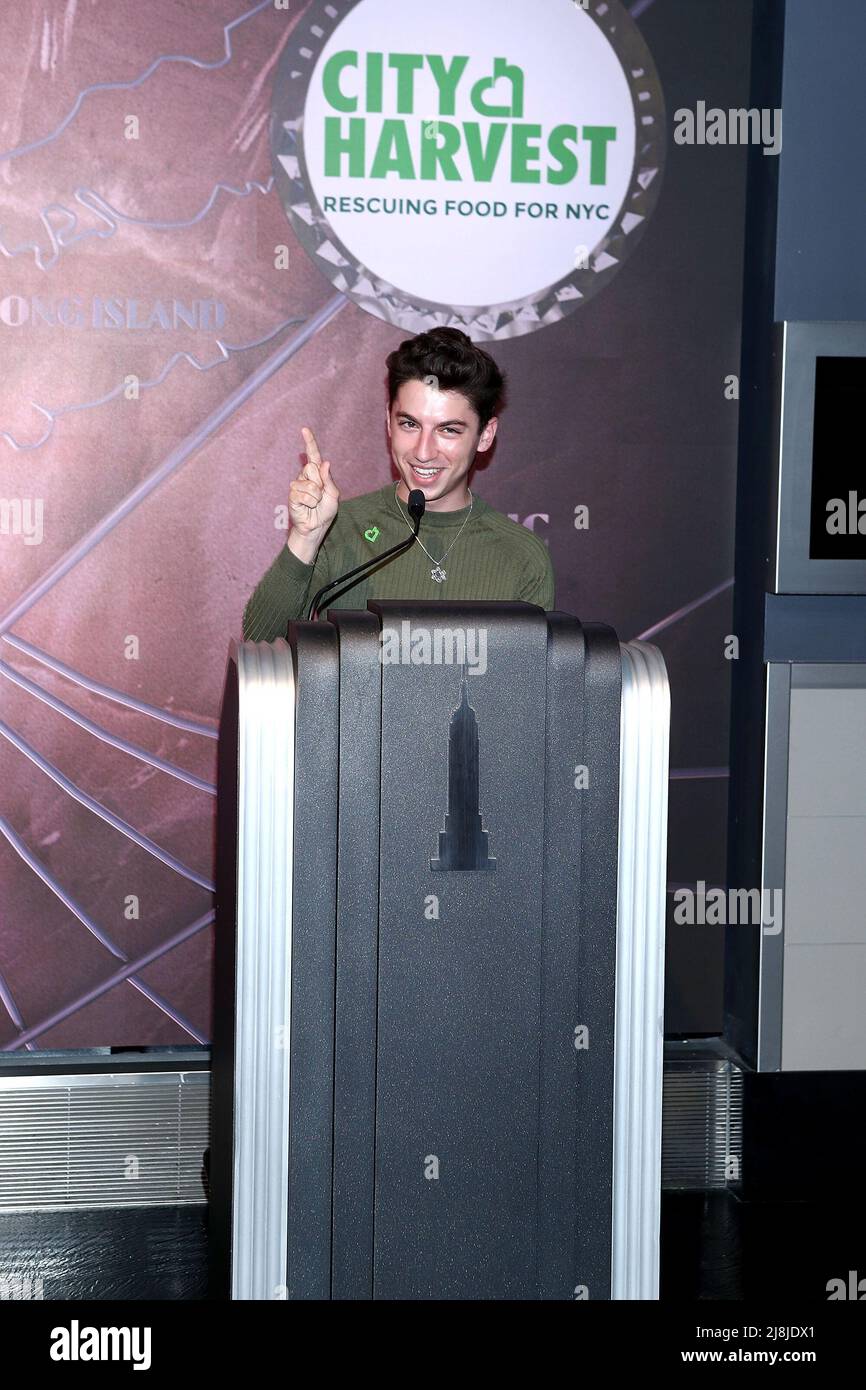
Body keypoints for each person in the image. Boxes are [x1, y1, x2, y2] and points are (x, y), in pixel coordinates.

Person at [242, 326, 554, 640]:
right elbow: (260, 647)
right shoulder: (341, 529)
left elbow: (524, 685)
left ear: (485, 435)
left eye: (448, 430)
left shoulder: (522, 556)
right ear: (389, 422)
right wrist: (305, 538)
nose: (423, 451)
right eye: (409, 424)